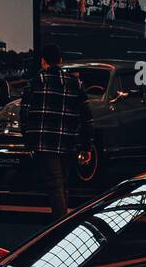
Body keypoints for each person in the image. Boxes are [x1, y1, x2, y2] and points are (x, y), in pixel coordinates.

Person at [19, 43, 94, 224]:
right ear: (60, 61)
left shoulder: (35, 82)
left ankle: (60, 227)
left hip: (44, 142)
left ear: (43, 61)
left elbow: (25, 113)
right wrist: (86, 144)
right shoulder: (75, 83)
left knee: (55, 184)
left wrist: (28, 140)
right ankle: (63, 221)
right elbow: (87, 117)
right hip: (69, 141)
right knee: (63, 183)